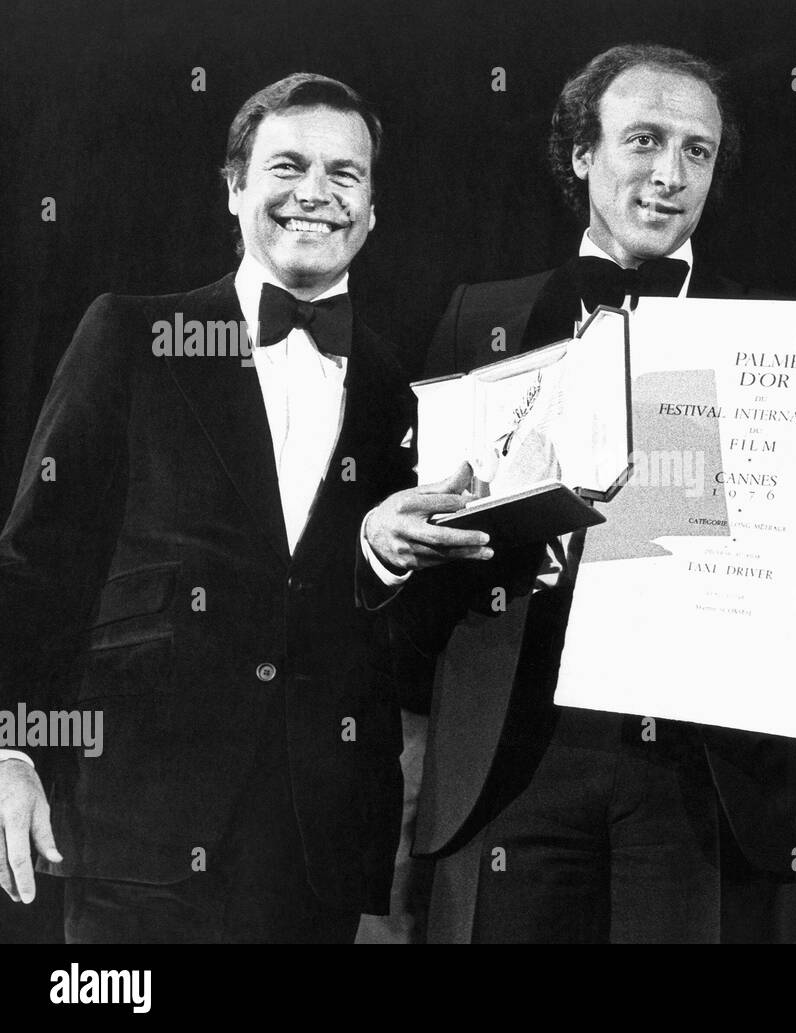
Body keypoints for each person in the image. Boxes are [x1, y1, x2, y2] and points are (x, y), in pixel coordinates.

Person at [0, 72, 489, 943]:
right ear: (234, 190)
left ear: (372, 209)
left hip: (316, 845)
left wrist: (381, 559)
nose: (315, 193)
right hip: (138, 823)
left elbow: (415, 638)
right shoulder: (129, 333)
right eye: (287, 166)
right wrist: (8, 745)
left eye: (346, 174)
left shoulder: (404, 396)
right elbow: (34, 562)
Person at [399, 43, 796, 944]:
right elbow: (415, 554)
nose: (670, 175)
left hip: (701, 777)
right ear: (583, 154)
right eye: (645, 141)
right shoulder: (478, 315)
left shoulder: (784, 340)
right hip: (510, 760)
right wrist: (392, 546)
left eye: (697, 152)